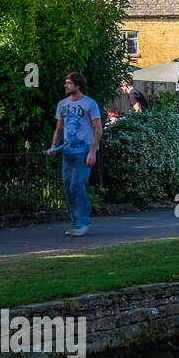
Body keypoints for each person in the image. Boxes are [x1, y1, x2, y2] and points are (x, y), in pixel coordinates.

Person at [46, 71, 102, 237]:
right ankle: (76, 223)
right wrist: (53, 147)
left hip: (83, 152)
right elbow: (60, 128)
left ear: (78, 86)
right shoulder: (62, 104)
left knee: (77, 185)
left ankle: (82, 223)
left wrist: (92, 151)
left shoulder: (90, 104)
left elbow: (98, 129)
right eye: (66, 82)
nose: (66, 85)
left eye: (69, 83)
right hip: (67, 152)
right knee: (68, 188)